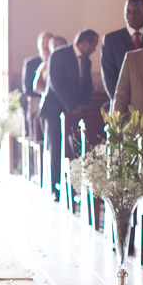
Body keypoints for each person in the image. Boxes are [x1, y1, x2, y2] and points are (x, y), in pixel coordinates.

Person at [39, 29, 99, 202]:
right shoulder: (59, 54)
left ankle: (75, 188)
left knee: (75, 148)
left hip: (75, 111)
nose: (95, 49)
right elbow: (56, 83)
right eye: (94, 44)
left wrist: (84, 105)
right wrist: (72, 106)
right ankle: (56, 189)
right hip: (54, 109)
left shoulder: (86, 61)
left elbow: (87, 84)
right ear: (85, 43)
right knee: (56, 148)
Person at [102, 0, 143, 105]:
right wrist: (120, 102)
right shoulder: (111, 39)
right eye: (128, 11)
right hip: (121, 103)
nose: (131, 16)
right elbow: (109, 76)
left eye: (136, 12)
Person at [21, 32, 53, 139]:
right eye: (42, 42)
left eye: (48, 42)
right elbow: (27, 89)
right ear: (38, 45)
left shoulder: (58, 61)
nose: (45, 45)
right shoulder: (31, 63)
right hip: (37, 105)